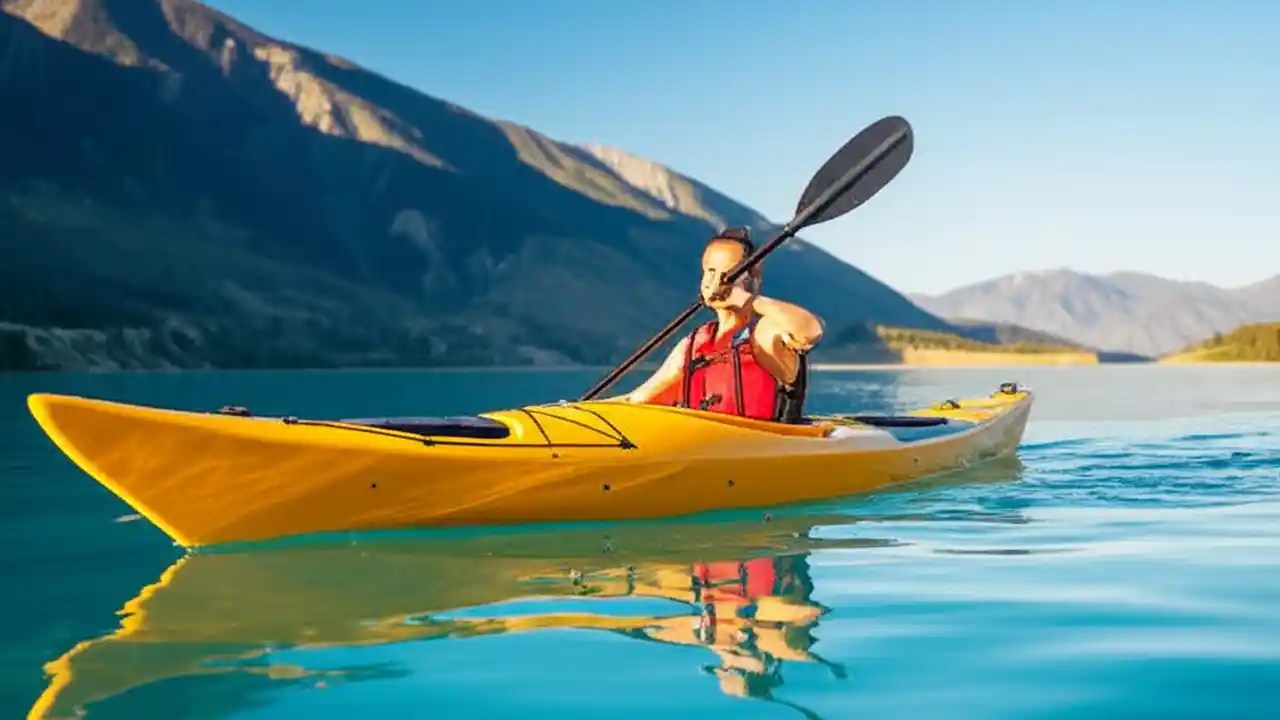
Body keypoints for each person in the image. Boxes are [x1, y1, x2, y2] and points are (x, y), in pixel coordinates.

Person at [619, 227, 825, 423]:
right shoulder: (693, 343)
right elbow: (638, 398)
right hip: (704, 445)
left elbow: (810, 331)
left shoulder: (764, 333)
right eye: (710, 271)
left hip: (765, 446)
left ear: (755, 279)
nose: (716, 281)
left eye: (730, 272)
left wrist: (746, 300)